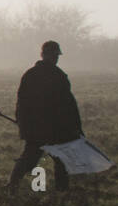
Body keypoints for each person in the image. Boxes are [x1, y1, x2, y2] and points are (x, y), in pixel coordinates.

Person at [7, 41, 83, 192]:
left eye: (56, 56)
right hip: (48, 128)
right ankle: (12, 187)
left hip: (47, 128)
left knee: (52, 160)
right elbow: (23, 102)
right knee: (36, 160)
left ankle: (60, 191)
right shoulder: (53, 76)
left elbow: (68, 104)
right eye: (53, 55)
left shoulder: (36, 74)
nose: (54, 58)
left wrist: (23, 124)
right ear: (44, 55)